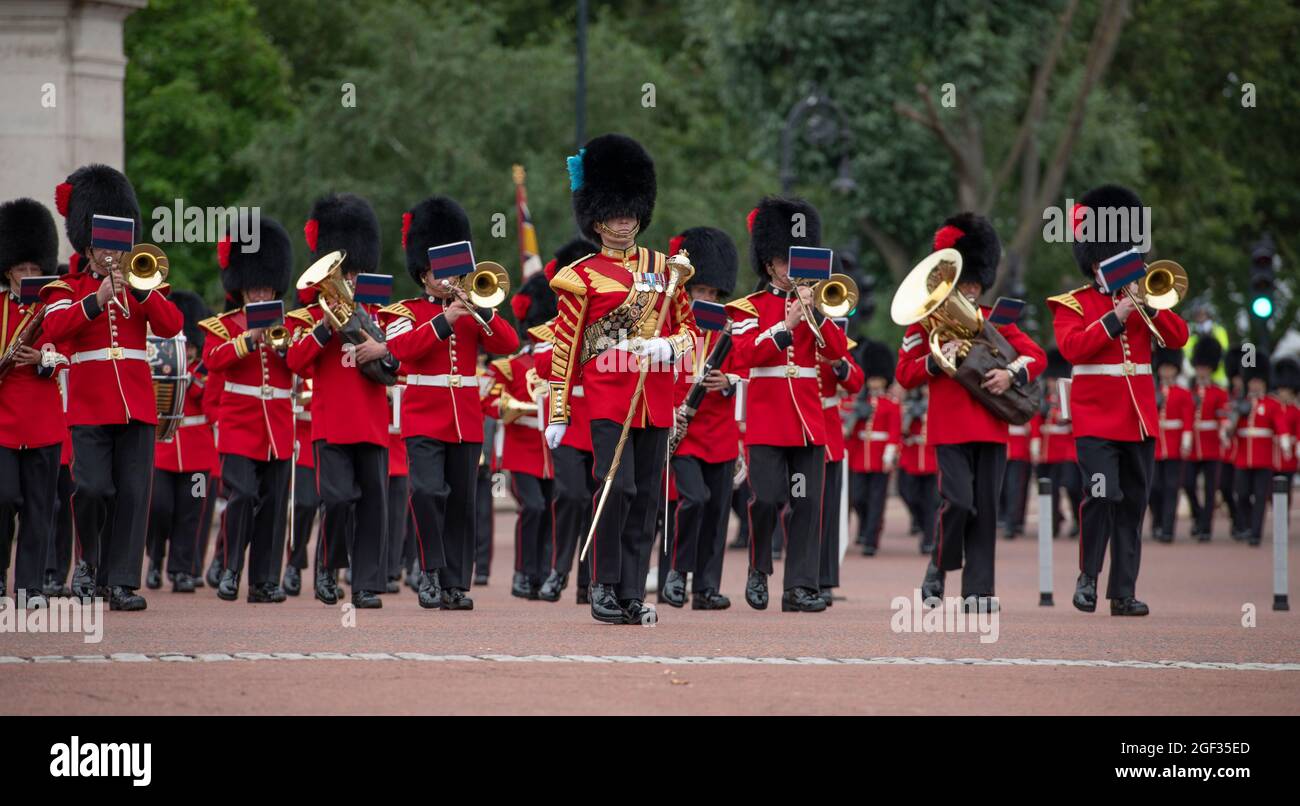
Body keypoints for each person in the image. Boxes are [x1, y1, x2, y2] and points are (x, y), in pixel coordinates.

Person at [544, 134, 698, 624]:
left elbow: (691, 330)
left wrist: (666, 346)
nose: (624, 219)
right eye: (615, 212)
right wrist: (558, 410)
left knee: (648, 497)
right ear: (597, 218)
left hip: (653, 398)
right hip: (609, 400)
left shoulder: (665, 269)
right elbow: (567, 345)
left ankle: (632, 591)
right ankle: (603, 586)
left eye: (630, 211)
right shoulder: (581, 275)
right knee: (617, 488)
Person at [42, 165, 183, 610]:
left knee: (134, 493)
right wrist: (96, 298)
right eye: (103, 245)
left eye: (117, 245)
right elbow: (56, 327)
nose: (110, 253)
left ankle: (120, 582)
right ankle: (86, 565)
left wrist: (140, 290)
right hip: (88, 405)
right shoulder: (67, 286)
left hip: (137, 405)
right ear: (87, 244)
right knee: (93, 489)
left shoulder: (143, 283)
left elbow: (172, 324)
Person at [1049, 184, 1188, 617]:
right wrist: (1116, 317)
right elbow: (1073, 349)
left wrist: (1150, 306)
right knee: (1101, 496)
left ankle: (1122, 593)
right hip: (1095, 422)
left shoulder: (1143, 299)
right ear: (1095, 263)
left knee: (1132, 505)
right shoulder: (1072, 304)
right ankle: (1088, 577)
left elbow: (1178, 338)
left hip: (1139, 420)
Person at [899, 213, 1045, 612]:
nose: (968, 291)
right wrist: (934, 360)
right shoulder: (924, 321)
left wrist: (1009, 372)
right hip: (949, 429)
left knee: (986, 514)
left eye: (974, 285)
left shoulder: (995, 321)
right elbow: (905, 374)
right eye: (963, 284)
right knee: (958, 503)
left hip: (992, 428)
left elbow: (1037, 356)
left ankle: (978, 592)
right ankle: (938, 566)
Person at [380, 195, 518, 610]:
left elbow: (509, 343)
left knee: (462, 501)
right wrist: (446, 319)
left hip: (465, 418)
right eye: (440, 273)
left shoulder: (472, 309)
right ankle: (430, 572)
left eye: (454, 272)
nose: (448, 279)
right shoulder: (405, 310)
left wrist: (482, 312)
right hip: (423, 415)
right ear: (424, 273)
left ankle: (456, 584)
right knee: (425, 492)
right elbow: (402, 348)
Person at [725, 196, 847, 613]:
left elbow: (836, 352)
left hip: (808, 423)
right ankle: (758, 569)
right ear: (769, 264)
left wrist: (818, 315)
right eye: (783, 261)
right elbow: (742, 355)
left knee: (807, 503)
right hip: (767, 420)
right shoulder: (748, 308)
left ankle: (800, 587)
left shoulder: (820, 306)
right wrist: (786, 324)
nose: (791, 269)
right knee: (768, 499)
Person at [287, 193, 399, 609]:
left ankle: (367, 584)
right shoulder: (311, 317)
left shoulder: (379, 317)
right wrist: (323, 329)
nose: (348, 281)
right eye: (343, 274)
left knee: (372, 506)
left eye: (353, 274)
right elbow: (296, 363)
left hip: (370, 422)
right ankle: (326, 567)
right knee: (336, 500)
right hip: (331, 424)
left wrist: (381, 350)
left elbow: (400, 359)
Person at [201, 218, 297, 603]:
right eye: (254, 288)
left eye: (266, 288)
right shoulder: (222, 326)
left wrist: (284, 348)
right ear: (241, 288)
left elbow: (302, 366)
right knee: (241, 495)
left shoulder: (290, 325)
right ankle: (229, 569)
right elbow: (213, 360)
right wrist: (247, 340)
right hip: (240, 422)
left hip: (277, 424)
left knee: (274, 505)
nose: (260, 294)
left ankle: (264, 581)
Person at [663, 226, 741, 610]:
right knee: (693, 499)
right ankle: (677, 571)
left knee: (716, 510)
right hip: (684, 429)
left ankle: (706, 588)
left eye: (711, 293)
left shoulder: (730, 330)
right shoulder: (673, 327)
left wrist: (726, 381)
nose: (705, 298)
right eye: (699, 292)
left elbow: (746, 372)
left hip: (720, 431)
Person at [0, 198, 64, 607]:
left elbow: (65, 355)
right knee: (4, 500)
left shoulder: (52, 310)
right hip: (4, 421)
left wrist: (42, 358)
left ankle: (30, 586)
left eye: (35, 269)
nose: (28, 276)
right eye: (21, 269)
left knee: (40, 509)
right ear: (8, 269)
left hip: (42, 421)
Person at [535, 239, 598, 602]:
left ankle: (588, 581)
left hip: (604, 418)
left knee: (598, 500)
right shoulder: (557, 325)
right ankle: (559, 570)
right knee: (571, 495)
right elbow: (543, 364)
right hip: (568, 419)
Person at [489, 270, 557, 600]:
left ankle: (543, 574)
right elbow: (491, 401)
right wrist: (512, 407)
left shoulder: (559, 361)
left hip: (551, 448)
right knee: (532, 507)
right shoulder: (509, 365)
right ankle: (522, 573)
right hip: (522, 449)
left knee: (551, 509)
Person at [146, 290, 216, 593]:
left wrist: (196, 378)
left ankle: (181, 570)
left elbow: (213, 405)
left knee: (191, 512)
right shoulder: (159, 367)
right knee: (159, 508)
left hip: (198, 456)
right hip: (164, 449)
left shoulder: (206, 370)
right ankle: (155, 560)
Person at [1228, 350, 1290, 546]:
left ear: (1264, 382)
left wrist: (1286, 444)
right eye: (1251, 381)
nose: (1254, 385)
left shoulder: (1272, 404)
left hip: (1263, 458)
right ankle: (1245, 526)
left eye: (1257, 381)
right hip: (1243, 458)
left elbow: (1280, 426)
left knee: (1261, 497)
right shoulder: (1242, 404)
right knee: (1243, 494)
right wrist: (1236, 417)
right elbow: (1231, 431)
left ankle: (1255, 534)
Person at [846, 340, 899, 555]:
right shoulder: (860, 402)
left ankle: (871, 540)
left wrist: (889, 456)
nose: (873, 383)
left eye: (877, 379)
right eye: (871, 379)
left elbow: (894, 433)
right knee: (858, 497)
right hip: (860, 457)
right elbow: (852, 432)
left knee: (877, 500)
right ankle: (865, 526)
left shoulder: (891, 404)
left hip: (879, 458)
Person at [1182, 338, 1228, 541]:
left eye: (1205, 368)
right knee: (1188, 484)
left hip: (1211, 444)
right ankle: (1198, 515)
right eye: (1199, 367)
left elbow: (1223, 415)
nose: (1202, 371)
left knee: (1211, 489)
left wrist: (1224, 431)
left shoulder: (1219, 392)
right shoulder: (1188, 392)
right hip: (1193, 445)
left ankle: (1206, 527)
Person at [1148, 347, 1193, 542]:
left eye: (1170, 368)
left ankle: (1168, 529)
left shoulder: (1183, 393)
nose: (1166, 372)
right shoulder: (1151, 391)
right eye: (1163, 368)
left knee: (1171, 487)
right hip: (1155, 446)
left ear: (1176, 370)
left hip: (1174, 445)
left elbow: (1188, 420)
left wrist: (1186, 442)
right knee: (1154, 488)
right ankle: (1157, 522)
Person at [1038, 349, 1081, 538]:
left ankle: (1079, 521)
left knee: (1072, 486)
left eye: (1055, 380)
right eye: (1050, 380)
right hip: (1048, 452)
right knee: (1050, 490)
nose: (1052, 384)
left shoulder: (1071, 400)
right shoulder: (1044, 401)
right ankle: (1053, 522)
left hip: (1067, 450)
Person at [896, 387, 937, 554]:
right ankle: (920, 522)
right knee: (909, 495)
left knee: (931, 503)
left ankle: (928, 540)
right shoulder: (911, 405)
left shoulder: (939, 406)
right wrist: (909, 416)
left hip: (932, 459)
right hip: (912, 458)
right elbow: (901, 431)